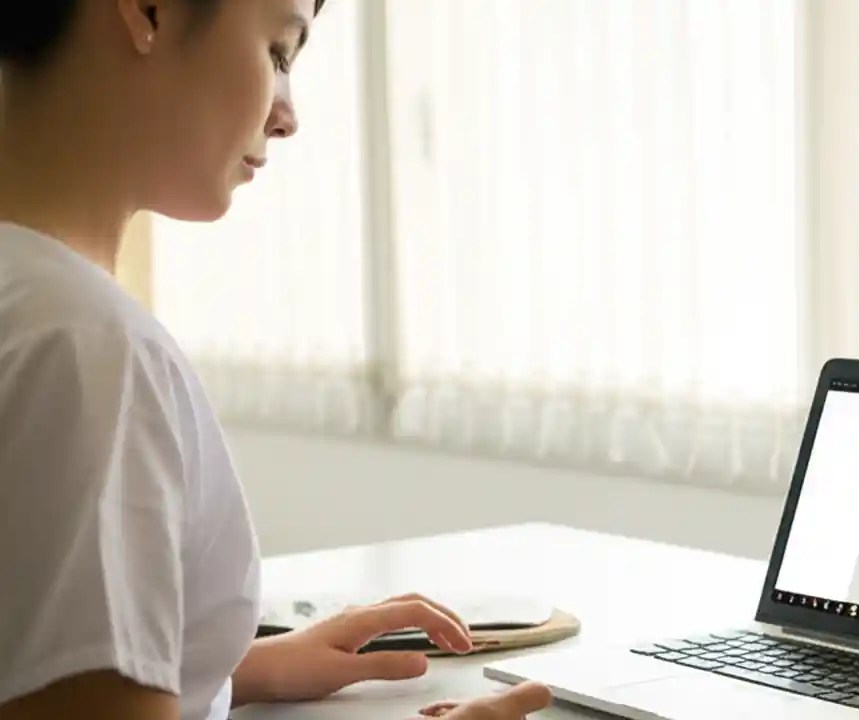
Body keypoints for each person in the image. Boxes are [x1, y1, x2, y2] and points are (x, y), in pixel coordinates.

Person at [0, 2, 552, 719]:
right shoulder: (87, 351)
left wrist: (227, 668)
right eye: (279, 52)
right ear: (147, 10)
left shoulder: (35, 308)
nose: (288, 116)